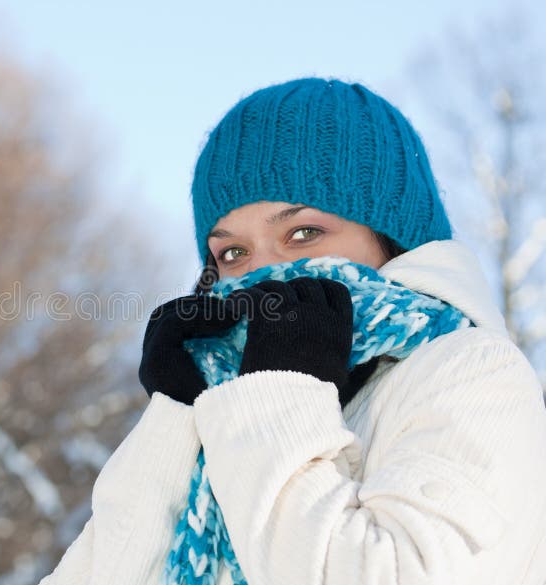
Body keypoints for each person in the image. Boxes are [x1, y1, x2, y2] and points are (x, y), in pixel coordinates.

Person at [38, 78, 546, 584]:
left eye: (303, 233)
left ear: (392, 239)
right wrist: (176, 419)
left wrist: (279, 388)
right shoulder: (228, 404)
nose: (268, 273)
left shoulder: (473, 375)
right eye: (233, 253)